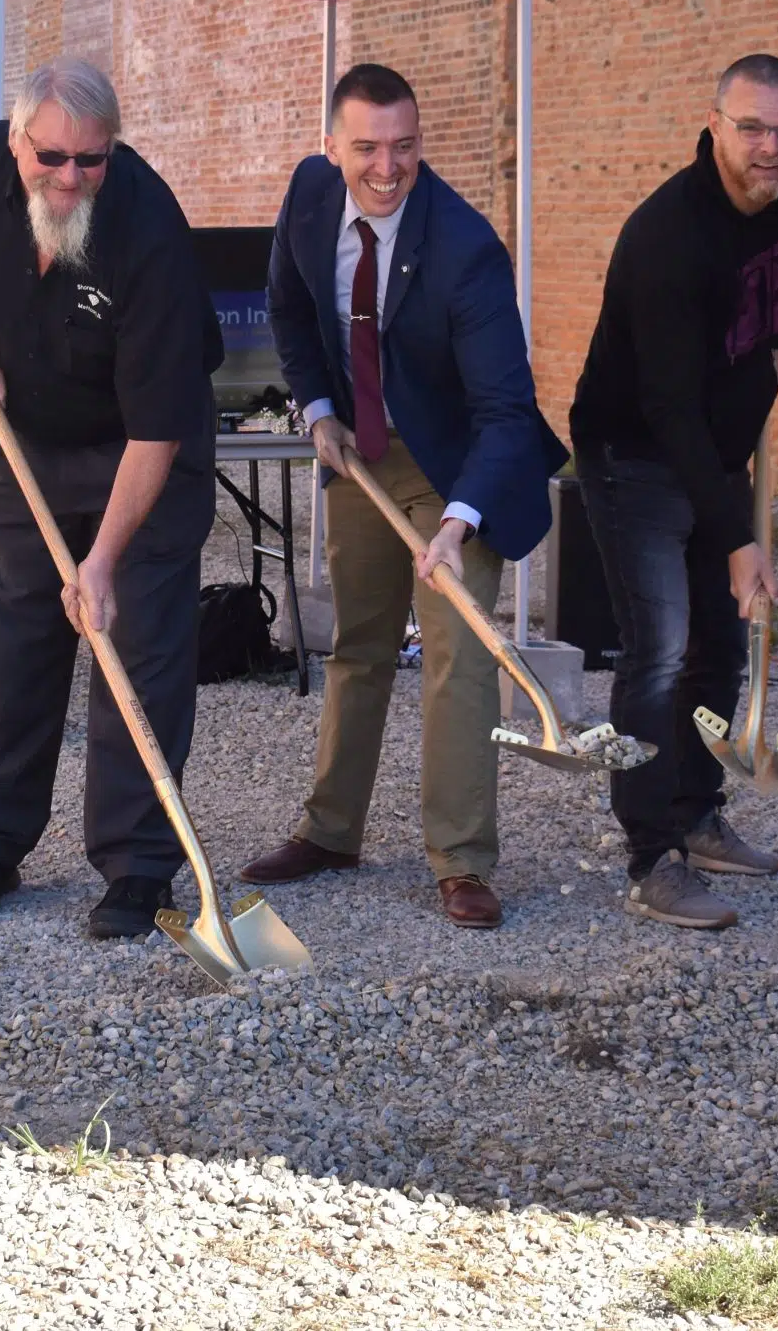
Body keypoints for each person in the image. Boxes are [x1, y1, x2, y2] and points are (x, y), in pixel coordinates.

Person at [234, 64, 567, 929]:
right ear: (333, 146)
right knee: (360, 642)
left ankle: (460, 859)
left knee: (457, 649)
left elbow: (504, 410)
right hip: (362, 450)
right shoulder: (310, 196)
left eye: (406, 147)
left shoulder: (465, 249)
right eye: (369, 148)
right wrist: (315, 410)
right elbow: (289, 304)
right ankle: (332, 830)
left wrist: (460, 522)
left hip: (462, 463)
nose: (388, 168)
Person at [0, 56, 223, 940]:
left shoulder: (146, 230)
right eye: (53, 158)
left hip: (143, 445)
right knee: (16, 643)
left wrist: (103, 560)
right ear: (16, 141)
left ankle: (137, 864)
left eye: (92, 159)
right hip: (26, 437)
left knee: (139, 650)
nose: (71, 177)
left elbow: (156, 432)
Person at [568, 53, 778, 930]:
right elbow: (668, 408)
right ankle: (650, 856)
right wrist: (739, 538)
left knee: (720, 640)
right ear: (714, 124)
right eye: (752, 127)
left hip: (717, 445)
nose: (772, 148)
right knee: (661, 649)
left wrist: (775, 353)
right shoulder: (667, 238)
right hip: (633, 450)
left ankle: (696, 809)